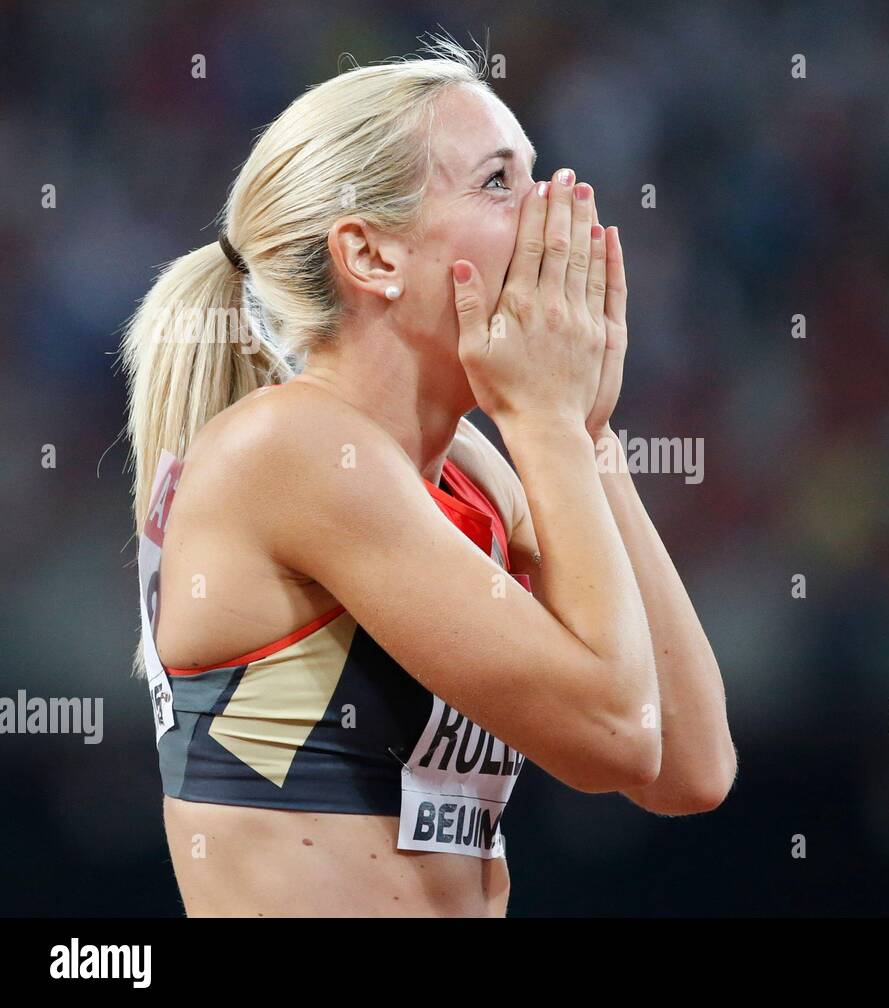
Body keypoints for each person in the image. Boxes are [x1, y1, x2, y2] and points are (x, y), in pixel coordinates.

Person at [121, 40, 736, 917]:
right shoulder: (289, 448)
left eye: (534, 170)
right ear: (371, 257)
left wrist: (591, 438)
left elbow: (689, 765)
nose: (549, 208)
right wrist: (550, 425)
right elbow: (613, 739)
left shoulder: (476, 472)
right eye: (498, 182)